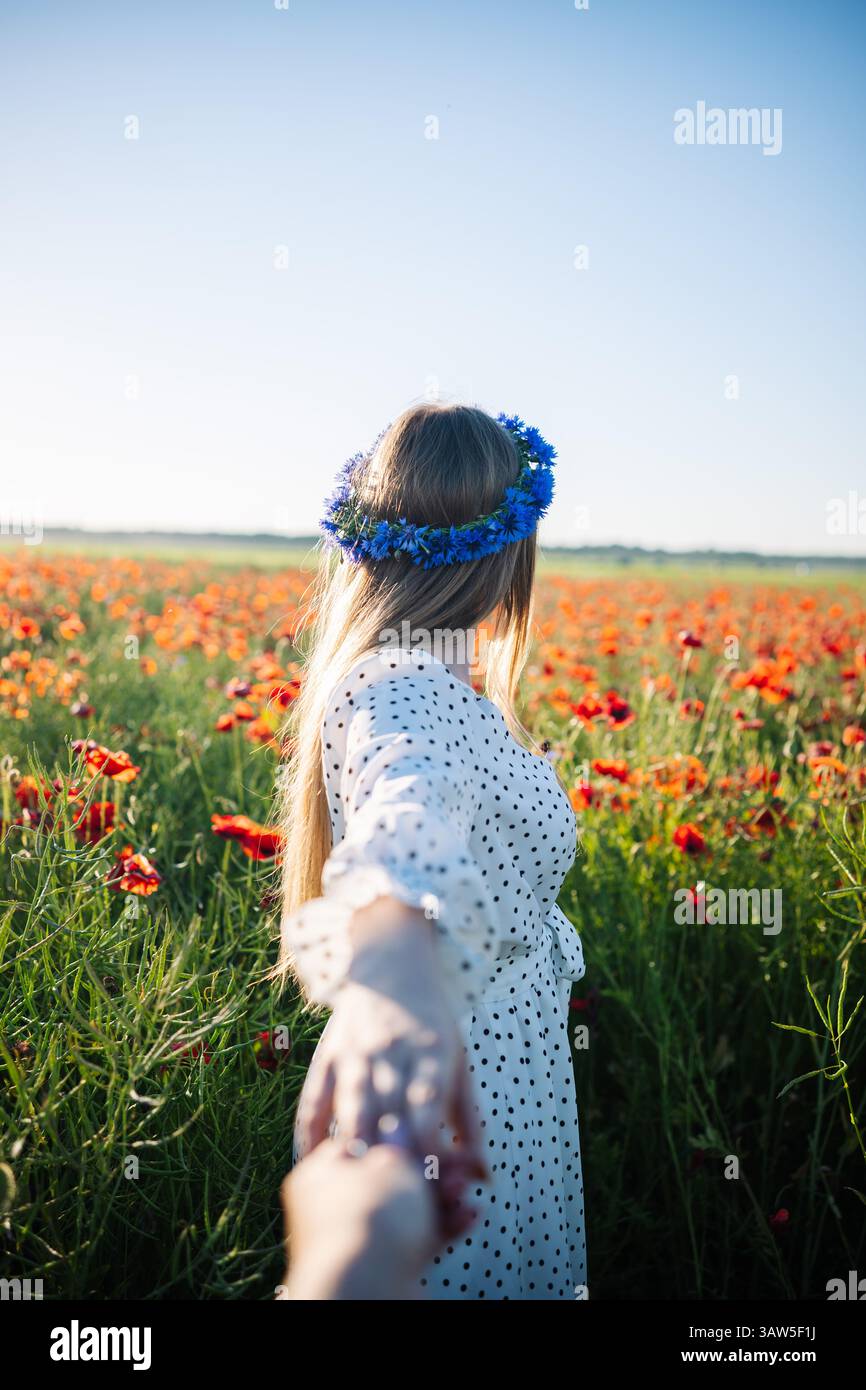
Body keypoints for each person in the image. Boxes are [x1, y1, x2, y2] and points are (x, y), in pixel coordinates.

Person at [278, 403, 587, 1300]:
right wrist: (396, 985)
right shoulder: (405, 689)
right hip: (463, 1083)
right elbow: (399, 820)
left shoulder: (435, 679)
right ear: (507, 549)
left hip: (510, 1077)